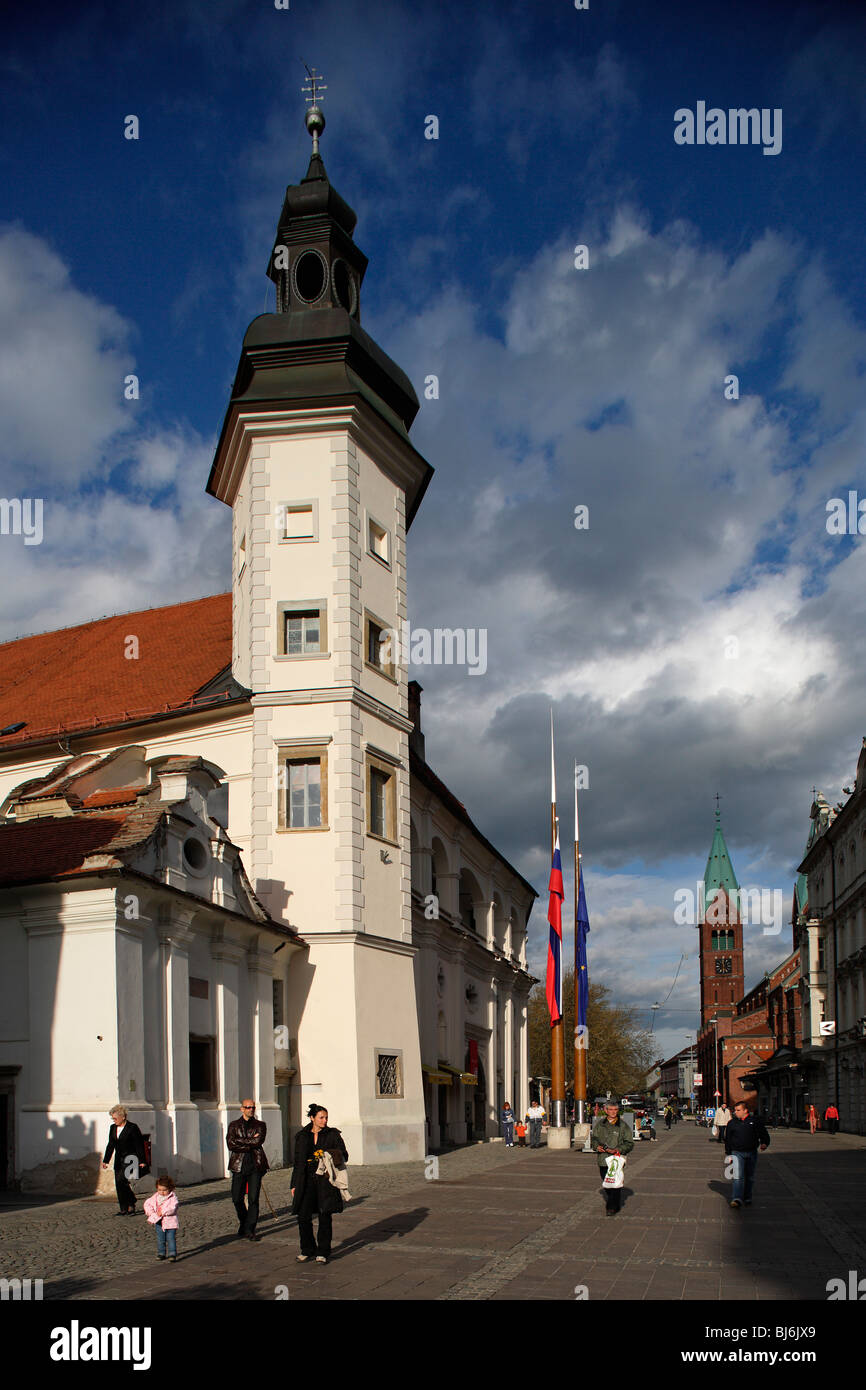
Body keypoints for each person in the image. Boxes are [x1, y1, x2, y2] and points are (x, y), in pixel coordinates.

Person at [291, 1104, 349, 1264]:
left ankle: (323, 1251)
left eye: (326, 1117)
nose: (324, 1120)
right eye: (321, 1117)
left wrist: (329, 1155)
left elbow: (344, 1155)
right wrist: (294, 1184)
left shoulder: (333, 1135)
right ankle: (307, 1249)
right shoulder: (302, 1136)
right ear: (312, 1118)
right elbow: (297, 1162)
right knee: (303, 1216)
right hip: (306, 1179)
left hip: (325, 1179)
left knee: (324, 1215)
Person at [226, 1098, 269, 1241]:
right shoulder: (234, 1125)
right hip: (238, 1165)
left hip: (256, 1165)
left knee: (253, 1199)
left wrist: (240, 1140)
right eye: (248, 1107)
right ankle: (244, 1223)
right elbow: (231, 1144)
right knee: (236, 1198)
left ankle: (250, 1229)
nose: (251, 1110)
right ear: (242, 1109)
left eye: (253, 1107)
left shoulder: (260, 1125)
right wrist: (249, 1142)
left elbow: (258, 1141)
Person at [101, 1105, 147, 1216]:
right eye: (112, 1118)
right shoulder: (113, 1128)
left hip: (131, 1158)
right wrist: (106, 1160)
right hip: (119, 1159)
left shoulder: (132, 1127)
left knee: (122, 1180)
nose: (114, 1120)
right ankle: (124, 1207)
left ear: (123, 1117)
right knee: (119, 1183)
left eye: (115, 1118)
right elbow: (111, 1145)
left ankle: (131, 1202)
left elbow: (139, 1145)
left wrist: (142, 1160)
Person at [591, 1099, 634, 1215]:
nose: (613, 1112)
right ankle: (615, 1203)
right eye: (611, 1109)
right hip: (603, 1159)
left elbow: (629, 1143)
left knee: (615, 1183)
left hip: (617, 1159)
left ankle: (611, 1207)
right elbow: (594, 1138)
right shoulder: (600, 1124)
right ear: (606, 1110)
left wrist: (618, 1150)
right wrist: (596, 1146)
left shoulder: (623, 1126)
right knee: (607, 1183)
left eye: (615, 1110)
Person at [724, 1101, 770, 1208]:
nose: (735, 1112)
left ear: (745, 1110)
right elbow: (728, 1140)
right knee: (737, 1177)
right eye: (735, 1110)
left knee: (749, 1177)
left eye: (738, 1110)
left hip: (751, 1152)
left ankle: (747, 1197)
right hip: (737, 1153)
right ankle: (736, 1198)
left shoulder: (755, 1121)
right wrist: (729, 1154)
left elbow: (763, 1134)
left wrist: (764, 1143)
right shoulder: (732, 1123)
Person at [144, 1176, 179, 1262]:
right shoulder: (155, 1197)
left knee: (171, 1239)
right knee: (160, 1239)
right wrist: (152, 1214)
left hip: (170, 1222)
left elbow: (173, 1208)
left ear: (170, 1189)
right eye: (159, 1190)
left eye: (164, 1190)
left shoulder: (173, 1198)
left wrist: (162, 1212)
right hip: (159, 1222)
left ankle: (172, 1253)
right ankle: (161, 1253)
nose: (162, 1192)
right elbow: (147, 1205)